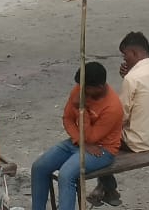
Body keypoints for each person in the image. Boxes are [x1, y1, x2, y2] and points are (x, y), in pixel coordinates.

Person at [91, 31, 149, 205]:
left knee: (97, 138)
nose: (124, 59)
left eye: (125, 55)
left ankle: (108, 188)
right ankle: (105, 188)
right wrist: (128, 75)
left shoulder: (132, 78)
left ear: (134, 53)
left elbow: (121, 116)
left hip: (137, 142)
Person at [31, 62, 123, 210]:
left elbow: (91, 137)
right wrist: (80, 142)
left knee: (66, 175)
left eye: (86, 88)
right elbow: (67, 119)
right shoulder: (80, 89)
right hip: (79, 141)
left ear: (99, 87)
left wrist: (82, 109)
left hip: (102, 150)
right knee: (39, 167)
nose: (81, 90)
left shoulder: (113, 107)